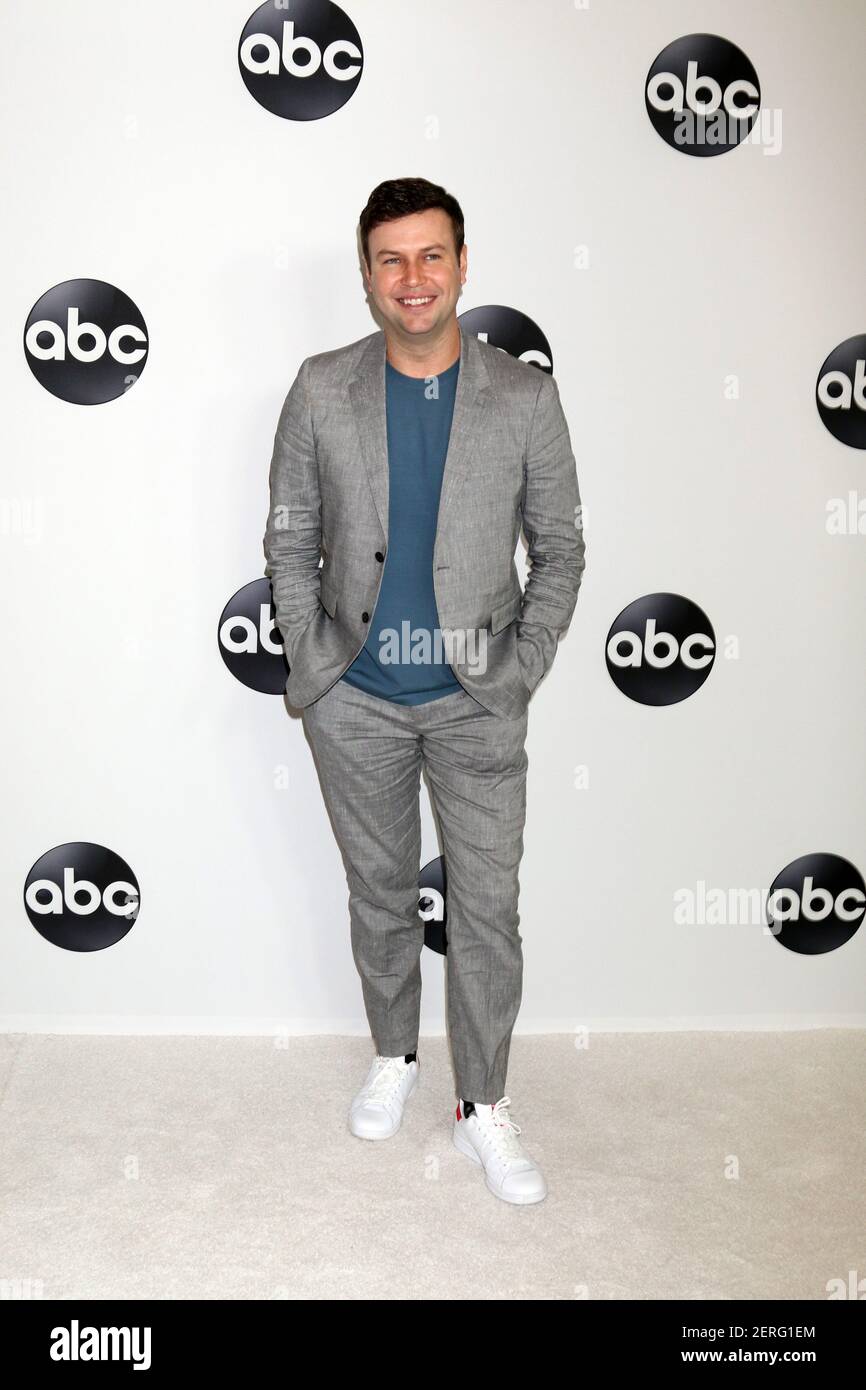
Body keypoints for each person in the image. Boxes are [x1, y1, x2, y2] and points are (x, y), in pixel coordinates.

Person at [263, 177, 586, 1204]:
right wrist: (313, 658)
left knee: (487, 907)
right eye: (390, 258)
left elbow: (563, 547)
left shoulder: (523, 397)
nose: (412, 278)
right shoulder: (320, 387)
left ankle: (480, 1103)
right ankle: (394, 1054)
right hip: (352, 696)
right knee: (378, 890)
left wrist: (521, 664)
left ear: (460, 264)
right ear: (366, 275)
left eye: (430, 255)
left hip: (473, 699)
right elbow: (288, 534)